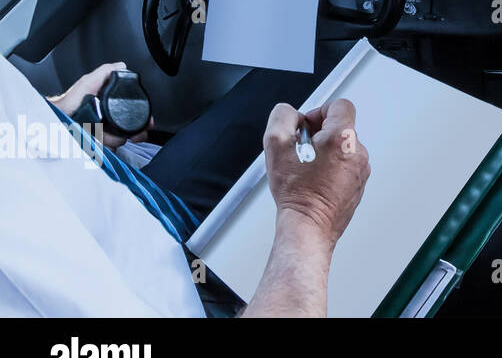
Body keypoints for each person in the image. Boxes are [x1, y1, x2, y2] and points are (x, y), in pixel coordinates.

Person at [0, 56, 369, 316]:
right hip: (195, 294)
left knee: (313, 67)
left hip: (143, 211)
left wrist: (66, 123)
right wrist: (310, 216)